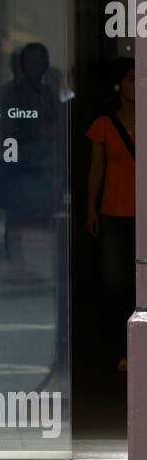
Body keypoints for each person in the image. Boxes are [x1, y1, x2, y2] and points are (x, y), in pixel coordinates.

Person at [87, 60, 136, 372]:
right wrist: (90, 207)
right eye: (132, 79)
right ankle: (122, 348)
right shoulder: (104, 123)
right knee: (115, 284)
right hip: (113, 211)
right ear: (121, 85)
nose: (137, 85)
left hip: (143, 214)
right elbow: (96, 169)